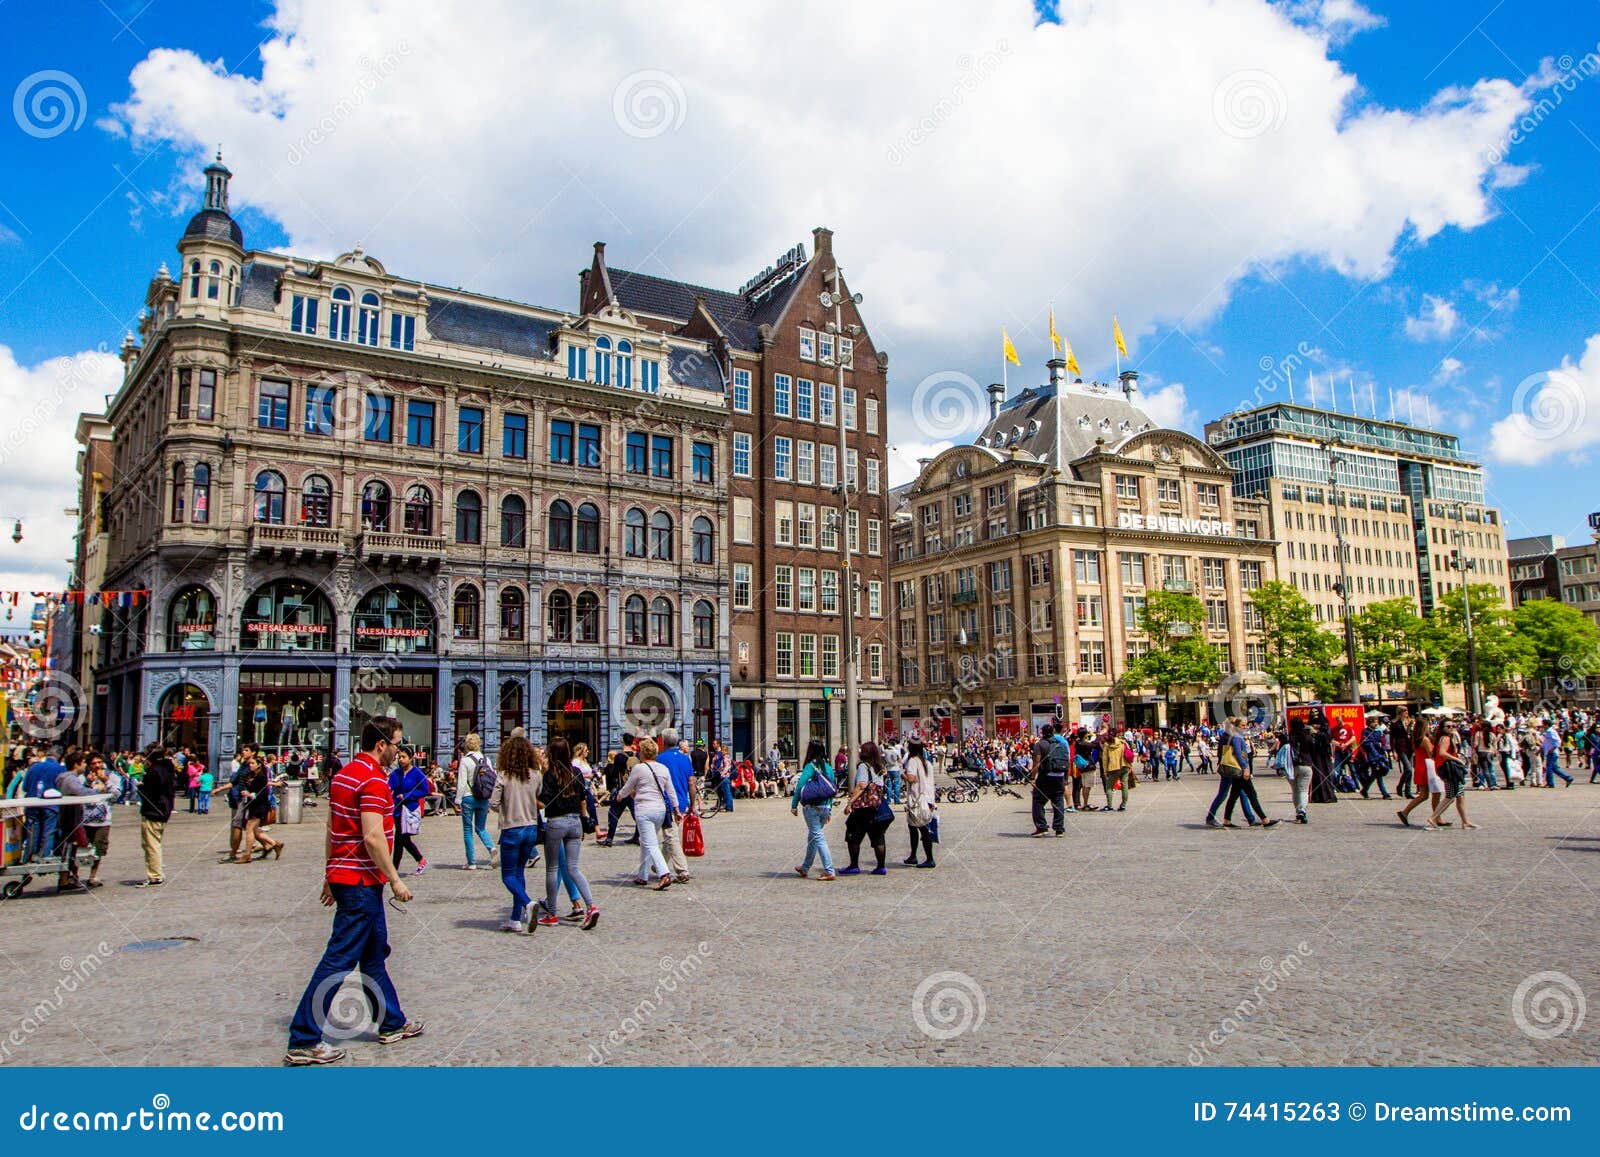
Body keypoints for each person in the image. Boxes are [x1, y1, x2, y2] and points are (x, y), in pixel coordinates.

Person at [284, 718, 422, 1065]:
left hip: (351, 878)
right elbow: (373, 836)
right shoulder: (374, 780)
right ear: (381, 745)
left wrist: (330, 873)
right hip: (362, 882)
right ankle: (304, 1038)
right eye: (396, 743)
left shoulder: (344, 775)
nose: (398, 750)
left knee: (373, 954)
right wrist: (395, 879)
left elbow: (333, 829)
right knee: (340, 958)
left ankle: (391, 1022)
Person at [536, 738, 600, 929]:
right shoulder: (577, 772)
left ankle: (552, 914)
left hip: (556, 822)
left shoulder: (550, 775)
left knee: (552, 869)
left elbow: (543, 803)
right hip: (575, 822)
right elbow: (583, 799)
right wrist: (583, 820)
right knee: (574, 868)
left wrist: (530, 798)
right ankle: (591, 906)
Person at [489, 729, 541, 931]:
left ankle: (528, 904)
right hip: (531, 828)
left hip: (512, 828)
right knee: (519, 873)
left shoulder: (504, 775)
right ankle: (515, 919)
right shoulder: (536, 774)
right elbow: (538, 795)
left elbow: (493, 804)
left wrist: (505, 804)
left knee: (508, 875)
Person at [617, 737, 678, 889]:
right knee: (646, 841)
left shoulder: (639, 768)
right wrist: (676, 809)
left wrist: (620, 795)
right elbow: (670, 792)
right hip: (660, 810)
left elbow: (628, 786)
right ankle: (642, 875)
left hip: (644, 809)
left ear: (642, 753)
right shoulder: (663, 769)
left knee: (650, 843)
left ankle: (664, 874)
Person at [839, 742, 895, 875]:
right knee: (878, 836)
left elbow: (861, 786)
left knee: (852, 833)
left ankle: (853, 865)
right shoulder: (879, 767)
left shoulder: (864, 766)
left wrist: (850, 803)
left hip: (863, 808)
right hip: (877, 807)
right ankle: (881, 866)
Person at [790, 739, 837, 881]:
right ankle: (805, 867)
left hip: (812, 807)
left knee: (818, 837)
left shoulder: (811, 766)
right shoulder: (828, 767)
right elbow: (831, 789)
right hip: (825, 807)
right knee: (813, 838)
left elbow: (800, 786)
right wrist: (829, 809)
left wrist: (794, 805)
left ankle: (829, 870)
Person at [655, 728, 696, 884]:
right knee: (670, 834)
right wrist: (692, 804)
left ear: (663, 742)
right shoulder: (685, 759)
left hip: (666, 803)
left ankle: (682, 870)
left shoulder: (659, 759)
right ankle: (658, 865)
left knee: (671, 836)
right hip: (682, 802)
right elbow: (691, 782)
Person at [456, 732, 497, 869]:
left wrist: (457, 801)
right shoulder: (487, 759)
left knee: (467, 830)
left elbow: (461, 784)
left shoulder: (465, 760)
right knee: (481, 828)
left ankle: (471, 862)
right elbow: (493, 778)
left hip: (468, 798)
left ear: (466, 745)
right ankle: (491, 848)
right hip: (483, 798)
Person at [136, 746, 176, 887]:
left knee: (151, 844)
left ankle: (155, 875)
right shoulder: (168, 769)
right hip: (164, 810)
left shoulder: (153, 772)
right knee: (154, 843)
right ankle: (156, 872)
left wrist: (140, 788)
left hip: (153, 811)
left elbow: (149, 794)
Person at [1426, 723, 1478, 831]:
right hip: (1449, 770)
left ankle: (1465, 821)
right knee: (1451, 796)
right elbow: (1442, 753)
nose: (1451, 728)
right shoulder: (1445, 738)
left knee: (1460, 795)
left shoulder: (1443, 738)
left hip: (1447, 769)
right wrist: (1457, 759)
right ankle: (1433, 818)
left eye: (1453, 726)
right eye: (1448, 726)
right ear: (1442, 728)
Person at [235, 755, 286, 863]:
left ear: (258, 765)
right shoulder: (254, 775)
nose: (251, 765)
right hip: (254, 805)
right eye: (250, 763)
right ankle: (275, 844)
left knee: (249, 828)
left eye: (253, 763)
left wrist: (249, 794)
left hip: (259, 806)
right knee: (255, 830)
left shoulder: (261, 777)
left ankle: (247, 855)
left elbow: (262, 794)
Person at [388, 747, 430, 875]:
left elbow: (425, 790)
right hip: (397, 811)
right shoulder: (396, 773)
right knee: (403, 839)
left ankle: (393, 870)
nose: (400, 759)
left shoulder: (417, 773)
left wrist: (408, 795)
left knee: (400, 840)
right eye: (399, 757)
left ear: (411, 759)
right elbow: (389, 788)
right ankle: (421, 860)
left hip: (409, 810)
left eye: (403, 757)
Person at [1397, 716, 1444, 827]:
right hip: (1428, 768)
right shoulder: (1425, 739)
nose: (1429, 727)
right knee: (1435, 793)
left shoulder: (1416, 739)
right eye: (1428, 725)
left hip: (1421, 767)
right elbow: (1431, 754)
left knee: (1424, 795)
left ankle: (1405, 812)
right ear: (1424, 727)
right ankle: (1436, 818)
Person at [20, 748, 65, 864]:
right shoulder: (60, 769)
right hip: (51, 805)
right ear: (59, 757)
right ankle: (43, 859)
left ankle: (28, 857)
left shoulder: (34, 767)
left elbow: (25, 787)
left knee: (32, 832)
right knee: (48, 832)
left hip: (32, 803)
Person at [901, 737, 937, 868]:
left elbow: (911, 779)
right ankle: (913, 855)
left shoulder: (912, 761)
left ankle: (929, 858)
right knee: (914, 827)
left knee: (921, 828)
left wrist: (902, 774)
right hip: (928, 798)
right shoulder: (927, 762)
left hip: (917, 799)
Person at [1031, 724, 1070, 835]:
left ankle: (1041, 827)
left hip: (1045, 776)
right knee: (1058, 802)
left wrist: (1033, 778)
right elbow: (1067, 762)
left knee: (1038, 801)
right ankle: (1059, 829)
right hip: (1059, 776)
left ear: (1042, 733)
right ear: (1053, 733)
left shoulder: (1040, 745)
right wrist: (1066, 778)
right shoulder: (1060, 744)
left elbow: (1036, 763)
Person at [598, 735, 638, 846]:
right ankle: (637, 836)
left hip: (623, 790)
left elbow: (615, 774)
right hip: (634, 791)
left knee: (613, 814)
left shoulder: (619, 757)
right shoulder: (637, 756)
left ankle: (609, 839)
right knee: (637, 816)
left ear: (622, 742)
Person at [82, 752, 113, 888]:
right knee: (80, 849)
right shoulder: (82, 777)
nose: (97, 766)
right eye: (93, 763)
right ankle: (73, 876)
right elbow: (78, 793)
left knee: (99, 849)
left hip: (103, 820)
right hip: (85, 819)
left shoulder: (111, 776)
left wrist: (106, 781)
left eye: (99, 762)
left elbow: (117, 794)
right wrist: (88, 782)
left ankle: (92, 876)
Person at [1100, 729, 1130, 812]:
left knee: (1109, 787)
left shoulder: (1107, 744)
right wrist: (1130, 766)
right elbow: (1128, 754)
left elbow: (1105, 759)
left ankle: (1109, 805)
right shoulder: (1122, 742)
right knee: (1124, 786)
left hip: (1113, 767)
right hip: (1124, 766)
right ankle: (1123, 805)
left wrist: (1105, 770)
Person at [708, 737, 733, 813]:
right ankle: (721, 805)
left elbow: (727, 767)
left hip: (723, 777)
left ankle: (728, 807)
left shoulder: (725, 757)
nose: (713, 745)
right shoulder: (720, 755)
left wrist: (722, 773)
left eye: (714, 743)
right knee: (722, 791)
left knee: (726, 792)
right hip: (720, 775)